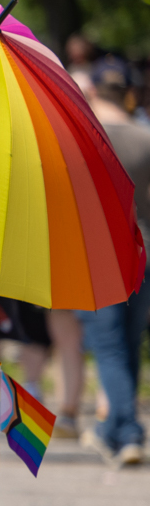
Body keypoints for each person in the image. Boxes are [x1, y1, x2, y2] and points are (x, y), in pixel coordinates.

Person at [79, 57, 150, 465]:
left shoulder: (87, 136)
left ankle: (126, 432)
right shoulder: (144, 138)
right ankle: (118, 427)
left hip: (98, 253)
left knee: (108, 347)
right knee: (128, 343)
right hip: (143, 251)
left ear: (92, 92)